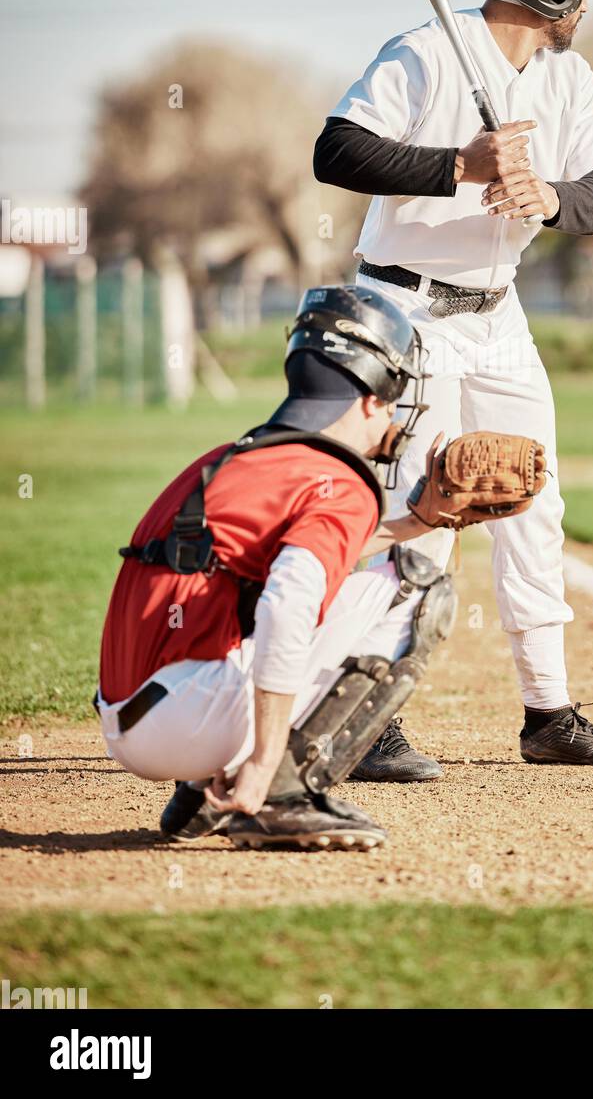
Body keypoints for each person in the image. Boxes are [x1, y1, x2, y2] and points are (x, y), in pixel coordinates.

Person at [315, 0, 593, 778]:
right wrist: (457, 166)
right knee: (420, 509)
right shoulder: (426, 51)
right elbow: (336, 150)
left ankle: (549, 714)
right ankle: (372, 719)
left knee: (530, 500)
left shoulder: (566, 79)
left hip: (497, 317)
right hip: (405, 312)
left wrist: (547, 198)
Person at [96, 284, 486, 851]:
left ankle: (202, 789)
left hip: (131, 714)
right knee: (418, 585)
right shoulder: (342, 482)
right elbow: (287, 603)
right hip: (187, 720)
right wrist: (262, 757)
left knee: (323, 581)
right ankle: (282, 790)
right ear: (372, 398)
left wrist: (416, 522)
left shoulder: (239, 457)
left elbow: (293, 560)